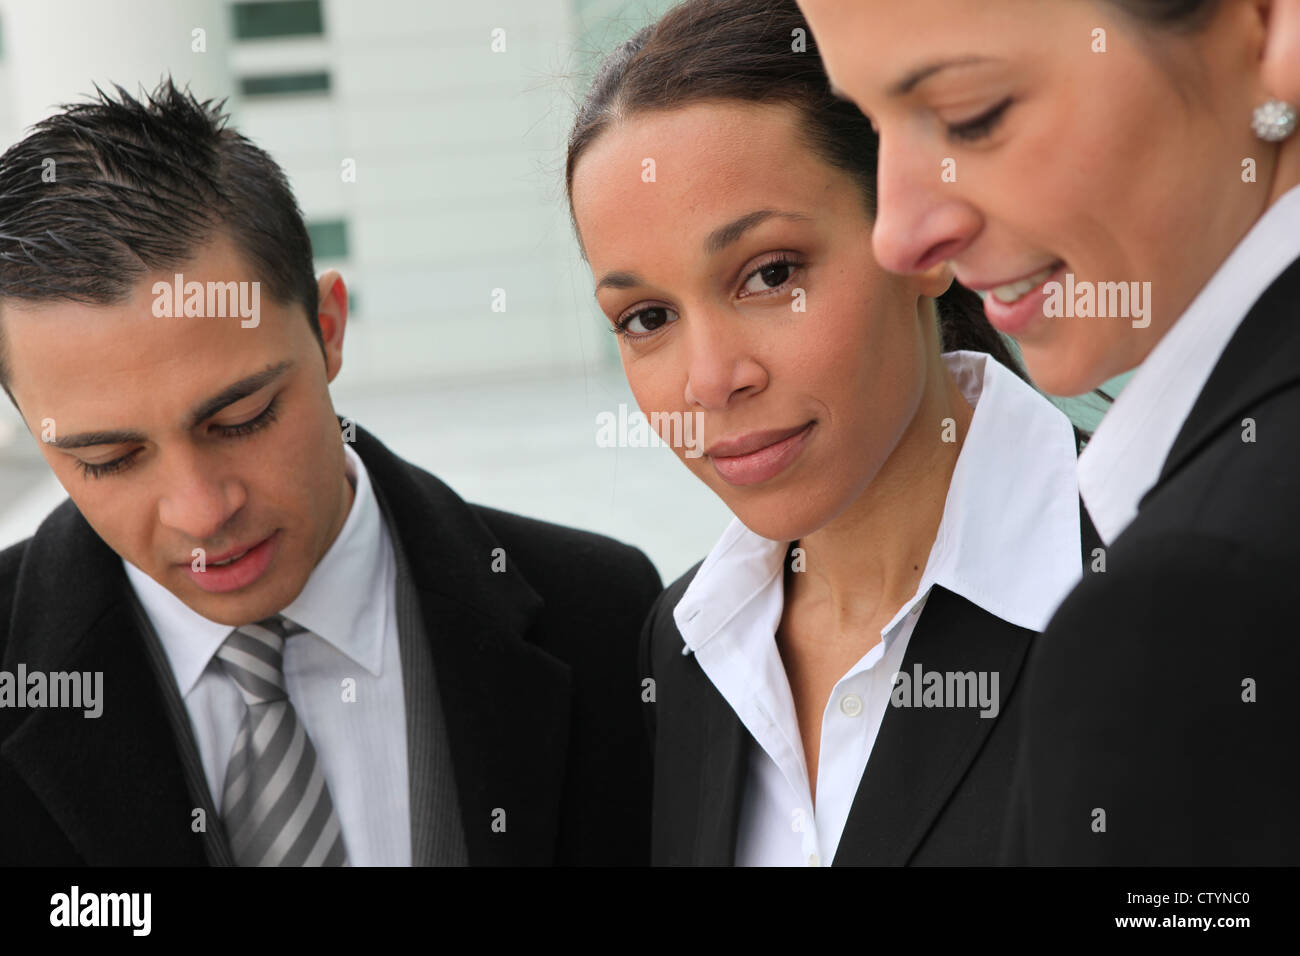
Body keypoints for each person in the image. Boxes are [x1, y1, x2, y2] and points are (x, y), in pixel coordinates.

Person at [0, 79, 660, 866]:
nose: (202, 511)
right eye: (108, 459)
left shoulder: (608, 616)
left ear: (328, 328)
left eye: (241, 418)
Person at [565, 0, 1096, 865]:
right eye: (646, 317)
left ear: (921, 232)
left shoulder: (1154, 579)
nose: (709, 380)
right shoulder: (688, 643)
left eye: (770, 275)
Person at [794, 0, 1300, 863]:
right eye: (874, 130)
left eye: (969, 117)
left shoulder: (1195, 603)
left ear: (1268, 24)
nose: (900, 234)